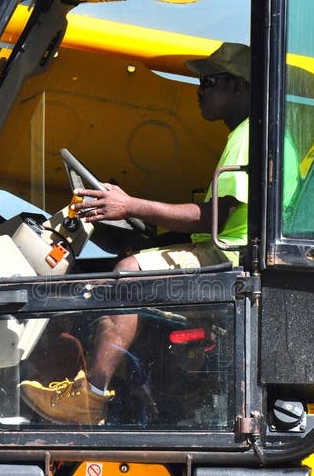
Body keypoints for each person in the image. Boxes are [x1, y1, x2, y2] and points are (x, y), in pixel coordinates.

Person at [20, 41, 251, 425]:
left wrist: (130, 205)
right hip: (224, 250)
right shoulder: (246, 135)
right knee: (132, 251)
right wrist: (134, 221)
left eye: (209, 82)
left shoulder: (247, 137)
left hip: (229, 259)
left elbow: (214, 218)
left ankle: (91, 396)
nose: (199, 90)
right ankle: (127, 392)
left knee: (128, 271)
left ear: (239, 87)